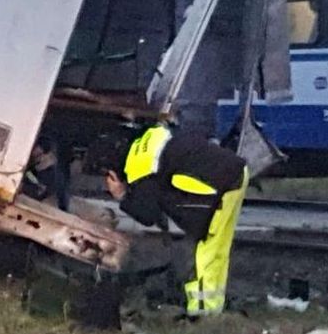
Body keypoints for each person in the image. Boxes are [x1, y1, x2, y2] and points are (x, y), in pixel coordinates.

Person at [104, 123, 248, 317]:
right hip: (235, 174)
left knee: (205, 252)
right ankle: (214, 306)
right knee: (218, 249)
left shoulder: (140, 167)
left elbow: (148, 215)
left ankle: (203, 311)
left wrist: (122, 195)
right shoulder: (150, 139)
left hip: (219, 186)